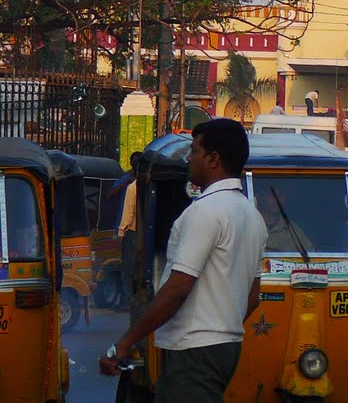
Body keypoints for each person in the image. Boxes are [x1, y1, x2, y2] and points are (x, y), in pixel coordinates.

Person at [100, 119, 269, 402]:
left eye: (194, 151)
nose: (189, 158)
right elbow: (254, 296)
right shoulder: (252, 215)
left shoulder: (205, 212)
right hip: (224, 346)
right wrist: (222, 323)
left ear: (213, 159)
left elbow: (178, 288)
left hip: (194, 350)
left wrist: (127, 341)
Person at [117, 152, 142, 309]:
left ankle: (126, 301)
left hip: (131, 233)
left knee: (128, 269)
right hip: (144, 233)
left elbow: (128, 212)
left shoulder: (132, 188)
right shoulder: (149, 186)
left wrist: (121, 232)